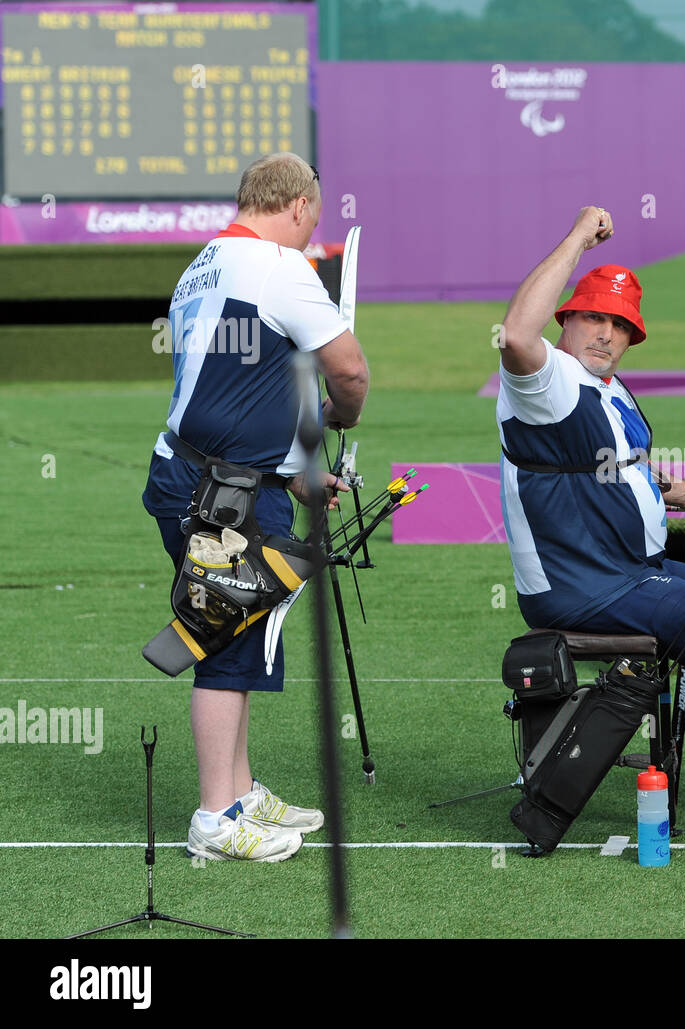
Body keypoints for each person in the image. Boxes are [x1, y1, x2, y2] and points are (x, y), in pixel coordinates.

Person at [495, 205, 685, 816]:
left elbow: (608, 465)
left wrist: (670, 492)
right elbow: (515, 337)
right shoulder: (546, 381)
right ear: (567, 319)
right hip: (580, 584)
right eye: (592, 317)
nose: (606, 333)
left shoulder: (606, 387)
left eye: (619, 324)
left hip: (623, 569)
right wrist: (579, 236)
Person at [142, 152, 370, 861]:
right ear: (298, 206)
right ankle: (215, 818)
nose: (311, 233)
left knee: (235, 626)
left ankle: (237, 793)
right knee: (225, 634)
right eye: (314, 218)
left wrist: (296, 478)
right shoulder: (278, 266)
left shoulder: (202, 265)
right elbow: (351, 370)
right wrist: (342, 415)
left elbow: (237, 392)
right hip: (219, 492)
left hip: (215, 480)